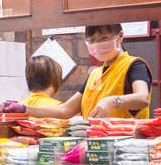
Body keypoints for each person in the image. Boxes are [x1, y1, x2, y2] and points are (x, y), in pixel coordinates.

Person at [9, 25, 152, 119]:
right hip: (96, 147)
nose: (97, 44)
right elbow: (66, 110)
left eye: (103, 38)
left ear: (120, 36)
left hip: (126, 149)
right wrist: (24, 109)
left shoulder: (134, 65)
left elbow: (143, 98)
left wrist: (113, 101)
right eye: (92, 40)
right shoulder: (95, 74)